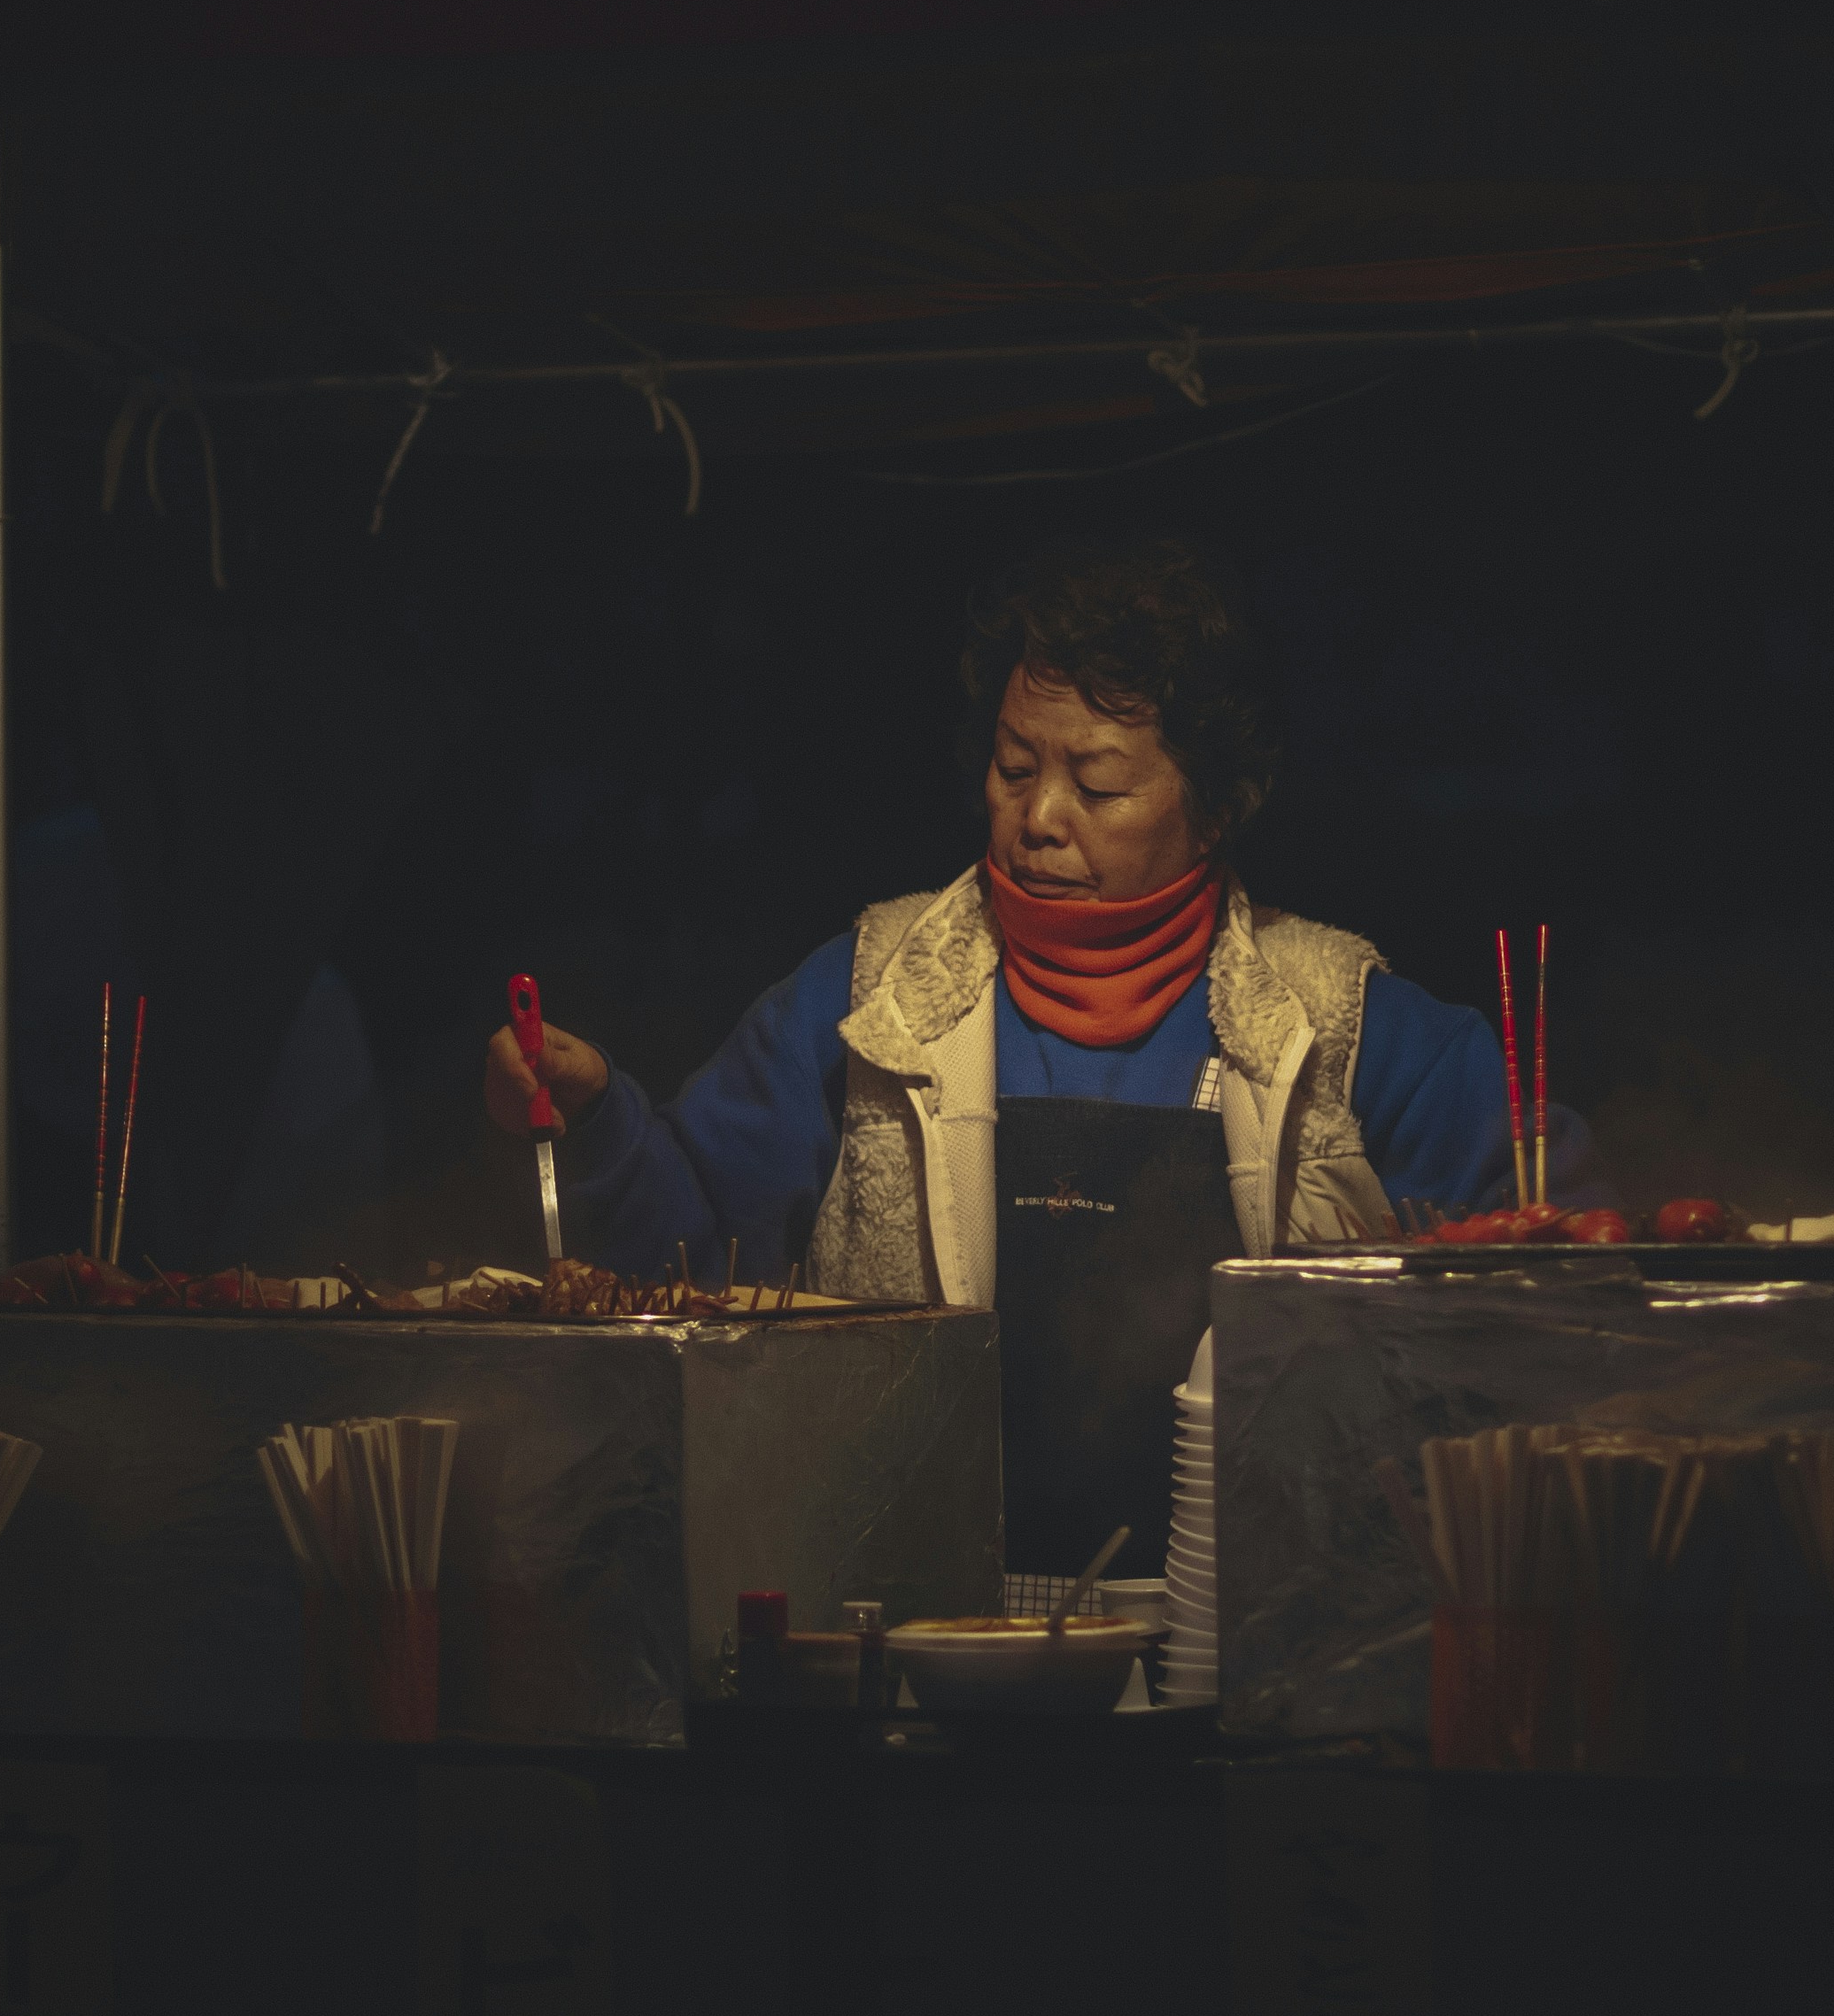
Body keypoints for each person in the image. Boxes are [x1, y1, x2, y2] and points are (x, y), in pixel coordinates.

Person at [484, 538, 1599, 1579]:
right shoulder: (865, 999)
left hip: (1264, 1631)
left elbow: (1547, 1259)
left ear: (1213, 812)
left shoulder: (1346, 1027)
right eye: (1015, 768)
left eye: (1099, 786)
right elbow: (684, 1262)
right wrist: (595, 1124)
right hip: (918, 1619)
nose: (1039, 818)